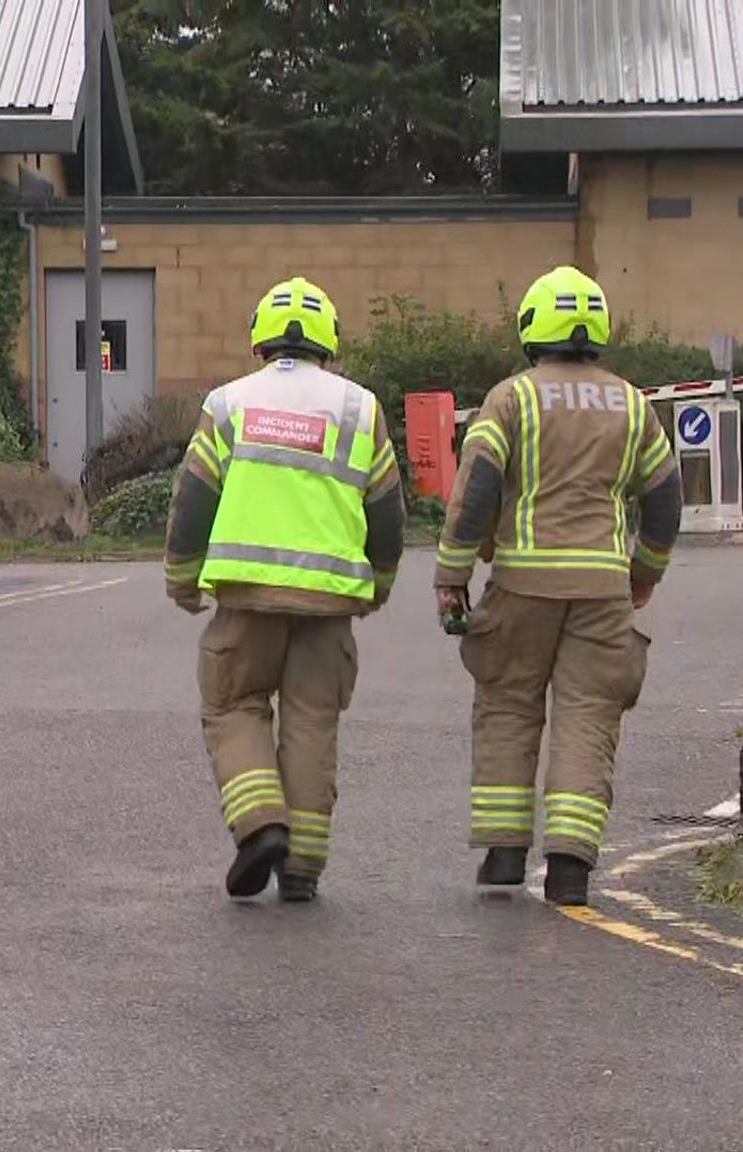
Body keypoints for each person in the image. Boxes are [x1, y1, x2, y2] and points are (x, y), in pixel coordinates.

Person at [433, 265, 683, 907]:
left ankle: (505, 855)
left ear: (530, 328)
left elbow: (477, 491)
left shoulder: (511, 399)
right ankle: (570, 867)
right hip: (602, 588)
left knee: (509, 705)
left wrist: (452, 576)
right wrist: (645, 572)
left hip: (521, 583)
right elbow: (665, 497)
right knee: (588, 715)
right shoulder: (633, 404)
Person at [162, 275, 407, 904]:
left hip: (246, 594)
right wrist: (379, 581)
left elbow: (194, 498)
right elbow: (387, 510)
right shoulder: (360, 408)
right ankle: (302, 867)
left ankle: (261, 824)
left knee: (233, 703)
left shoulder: (228, 404)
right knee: (311, 721)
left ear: (259, 341)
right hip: (329, 603)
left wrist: (182, 575)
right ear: (329, 341)